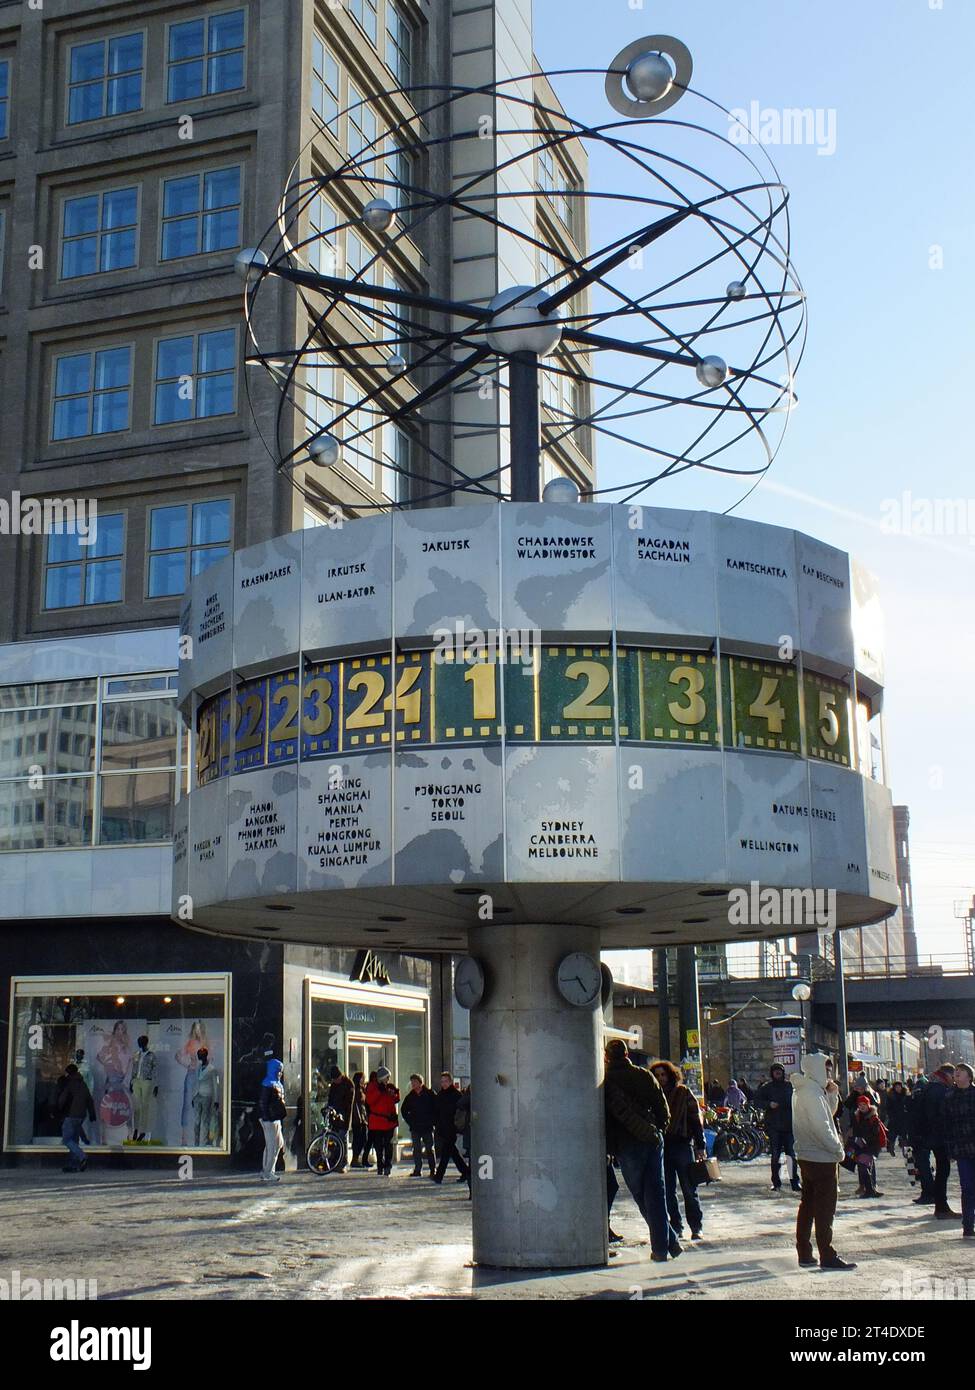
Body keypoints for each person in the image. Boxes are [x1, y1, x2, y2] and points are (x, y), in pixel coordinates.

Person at [604, 1039, 681, 1262]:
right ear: (627, 1054)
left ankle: (665, 1246)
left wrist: (610, 1147)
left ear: (607, 1057)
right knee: (656, 1194)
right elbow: (662, 1107)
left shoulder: (605, 1081)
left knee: (642, 1196)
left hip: (626, 1144)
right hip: (652, 1140)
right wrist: (658, 1130)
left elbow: (606, 1120)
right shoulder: (643, 1075)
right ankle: (667, 1246)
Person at [791, 1053, 856, 1271]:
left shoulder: (804, 1090)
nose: (829, 1073)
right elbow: (823, 1126)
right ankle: (827, 1254)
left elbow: (827, 1114)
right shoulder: (812, 1093)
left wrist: (832, 1094)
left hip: (806, 1154)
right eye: (826, 1069)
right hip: (821, 1156)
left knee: (808, 1204)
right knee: (825, 1207)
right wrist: (838, 1150)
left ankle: (805, 1251)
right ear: (818, 1069)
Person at [652, 1060, 706, 1241]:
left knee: (689, 1188)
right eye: (658, 1075)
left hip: (682, 1144)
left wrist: (700, 1145)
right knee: (667, 1191)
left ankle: (696, 1226)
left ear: (670, 1075)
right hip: (662, 1147)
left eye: (663, 1074)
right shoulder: (653, 1094)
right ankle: (676, 1226)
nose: (661, 1078)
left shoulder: (683, 1093)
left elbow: (695, 1120)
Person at [912, 1065, 958, 1218]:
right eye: (954, 1077)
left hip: (925, 1135)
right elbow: (939, 1116)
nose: (954, 1080)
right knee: (942, 1171)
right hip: (937, 1136)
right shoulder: (940, 1090)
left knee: (939, 1170)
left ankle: (940, 1205)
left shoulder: (928, 1086)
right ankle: (941, 1207)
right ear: (948, 1075)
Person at [755, 1063, 801, 1193]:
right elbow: (756, 1101)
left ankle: (794, 1182)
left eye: (779, 1071)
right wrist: (769, 1104)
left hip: (788, 1126)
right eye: (775, 1071)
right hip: (774, 1126)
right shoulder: (767, 1088)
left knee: (791, 1156)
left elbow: (798, 1100)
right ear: (772, 1073)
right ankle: (776, 1182)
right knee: (775, 1156)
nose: (777, 1073)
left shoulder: (789, 1086)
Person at [945, 1063, 975, 1239]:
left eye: (961, 1071)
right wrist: (950, 1150)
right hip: (962, 1147)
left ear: (969, 1077)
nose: (956, 1073)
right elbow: (947, 1124)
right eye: (956, 1071)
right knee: (967, 1187)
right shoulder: (950, 1096)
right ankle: (968, 1226)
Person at [432, 1072, 470, 1185]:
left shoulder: (456, 1095)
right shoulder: (440, 1095)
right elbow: (437, 1111)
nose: (443, 1084)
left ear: (450, 1082)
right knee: (452, 1152)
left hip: (452, 1127)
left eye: (446, 1081)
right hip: (442, 1127)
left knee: (446, 1152)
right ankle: (466, 1172)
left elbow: (459, 1112)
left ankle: (439, 1176)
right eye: (442, 1081)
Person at [58, 1063, 96, 1173]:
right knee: (74, 1140)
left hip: (71, 1114)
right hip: (81, 1115)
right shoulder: (83, 1084)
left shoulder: (69, 1084)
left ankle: (82, 1156)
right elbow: (89, 1100)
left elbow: (63, 1099)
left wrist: (57, 1110)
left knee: (67, 1140)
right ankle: (73, 1165)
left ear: (69, 1073)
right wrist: (92, 1114)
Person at [849, 1094, 886, 1198]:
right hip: (860, 1146)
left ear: (868, 1105)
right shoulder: (856, 1117)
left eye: (864, 1104)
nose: (862, 1106)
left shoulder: (873, 1118)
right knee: (864, 1167)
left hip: (871, 1146)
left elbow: (875, 1134)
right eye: (860, 1105)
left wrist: (865, 1139)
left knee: (863, 1166)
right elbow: (855, 1131)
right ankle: (870, 1189)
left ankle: (870, 1190)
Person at [365, 1067, 399, 1176]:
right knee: (378, 1146)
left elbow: (395, 1099)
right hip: (377, 1122)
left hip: (388, 1121)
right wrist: (379, 1091)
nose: (388, 1079)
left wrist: (394, 1093)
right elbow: (370, 1101)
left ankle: (387, 1165)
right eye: (387, 1077)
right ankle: (380, 1164)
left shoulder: (388, 1086)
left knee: (388, 1145)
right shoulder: (373, 1087)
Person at [401, 1073, 436, 1178]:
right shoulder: (410, 1096)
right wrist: (410, 1121)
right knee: (416, 1149)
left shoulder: (430, 1094)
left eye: (415, 1082)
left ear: (421, 1083)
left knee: (430, 1148)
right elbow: (404, 1110)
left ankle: (433, 1169)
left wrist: (433, 1121)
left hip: (427, 1126)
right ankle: (418, 1169)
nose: (413, 1084)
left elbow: (436, 1108)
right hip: (415, 1127)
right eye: (412, 1082)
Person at [258, 1058, 287, 1182]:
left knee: (277, 1144)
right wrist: (267, 1118)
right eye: (278, 1070)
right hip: (270, 1120)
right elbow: (263, 1103)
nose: (280, 1073)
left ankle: (268, 1170)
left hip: (274, 1119)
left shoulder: (272, 1082)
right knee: (273, 1146)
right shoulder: (268, 1084)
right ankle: (268, 1172)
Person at [130, 1035, 158, 1143]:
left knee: (144, 1106)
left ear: (145, 1043)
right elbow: (134, 1067)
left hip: (147, 1081)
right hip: (136, 1081)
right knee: (136, 1106)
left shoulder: (152, 1056)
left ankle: (143, 1131)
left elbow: (155, 1070)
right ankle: (136, 1129)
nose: (139, 1044)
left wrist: (156, 1085)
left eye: (141, 1042)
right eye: (139, 1042)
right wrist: (131, 1081)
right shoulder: (136, 1055)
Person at [326, 1065, 354, 1173]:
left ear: (340, 1076)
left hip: (344, 1117)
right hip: (335, 1117)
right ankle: (334, 1162)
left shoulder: (348, 1084)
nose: (334, 1081)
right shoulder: (334, 1085)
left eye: (336, 1079)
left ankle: (343, 1163)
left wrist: (347, 1122)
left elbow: (349, 1106)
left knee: (342, 1141)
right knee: (334, 1140)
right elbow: (330, 1098)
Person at [192, 1047, 220, 1146]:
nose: (199, 1057)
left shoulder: (212, 1069)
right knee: (196, 1120)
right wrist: (193, 1096)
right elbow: (195, 1082)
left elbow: (216, 1085)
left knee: (205, 1120)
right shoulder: (198, 1067)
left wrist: (216, 1100)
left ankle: (203, 1143)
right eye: (199, 1055)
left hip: (207, 1096)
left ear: (205, 1056)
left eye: (201, 1055)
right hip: (197, 1096)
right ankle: (196, 1143)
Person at [349, 1072, 370, 1168]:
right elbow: (357, 1104)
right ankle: (355, 1158)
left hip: (362, 1116)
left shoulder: (361, 1089)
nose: (364, 1080)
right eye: (363, 1078)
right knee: (359, 1138)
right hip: (358, 1118)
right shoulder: (356, 1090)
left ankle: (357, 1158)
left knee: (362, 1138)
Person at [884, 1081, 910, 1155]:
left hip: (904, 1119)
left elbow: (909, 1105)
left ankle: (907, 1154)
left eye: (899, 1087)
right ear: (894, 1088)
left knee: (905, 1137)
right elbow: (888, 1107)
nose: (898, 1088)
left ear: (902, 1087)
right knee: (892, 1135)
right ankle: (891, 1148)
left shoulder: (906, 1095)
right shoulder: (891, 1096)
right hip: (894, 1119)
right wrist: (891, 1115)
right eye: (896, 1087)